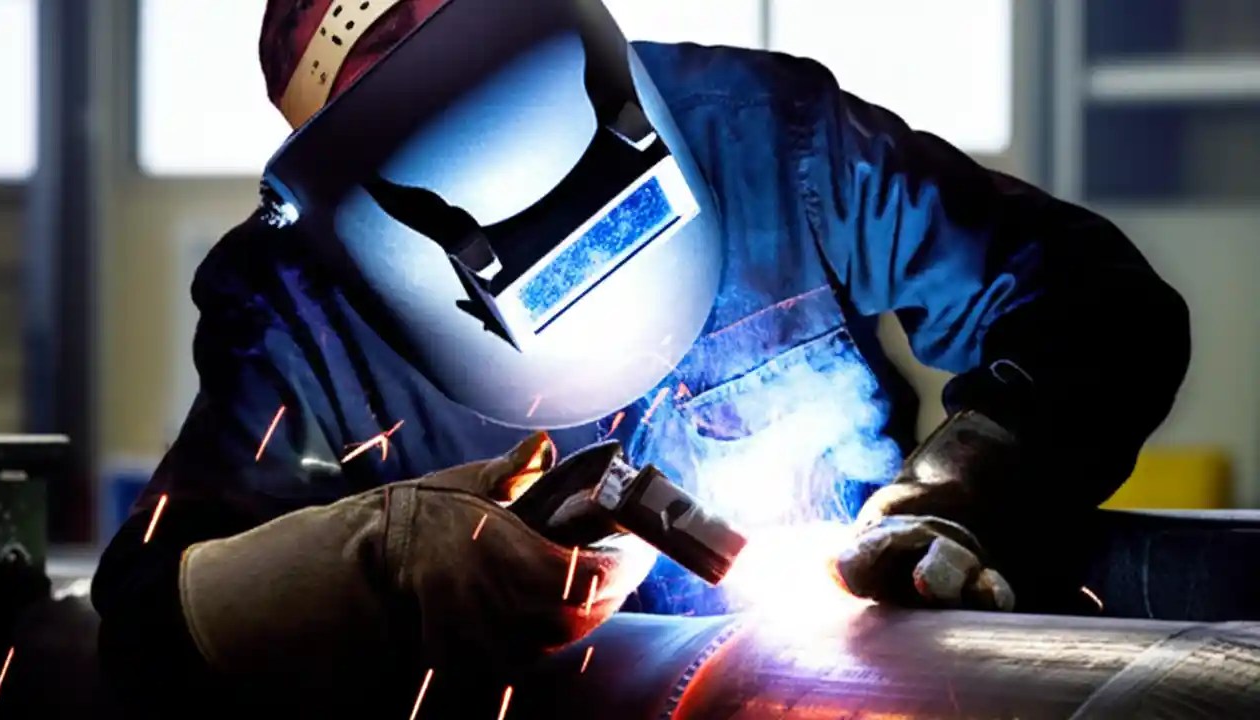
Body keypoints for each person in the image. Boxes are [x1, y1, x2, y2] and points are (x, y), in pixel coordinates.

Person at [92, 0, 1190, 712]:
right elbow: (150, 617)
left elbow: (1091, 304)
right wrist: (367, 561)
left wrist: (957, 499)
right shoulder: (294, 301)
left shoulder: (761, 133)